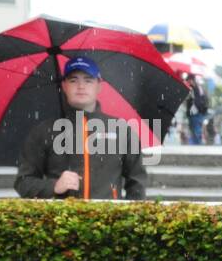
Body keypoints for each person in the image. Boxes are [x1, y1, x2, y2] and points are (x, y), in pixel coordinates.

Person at [14, 57, 147, 200]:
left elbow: (137, 182)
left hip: (108, 219)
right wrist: (53, 186)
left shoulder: (121, 130)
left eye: (88, 80)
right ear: (64, 86)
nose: (81, 86)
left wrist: (126, 218)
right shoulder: (44, 131)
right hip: (62, 220)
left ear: (99, 86)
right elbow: (23, 182)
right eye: (73, 80)